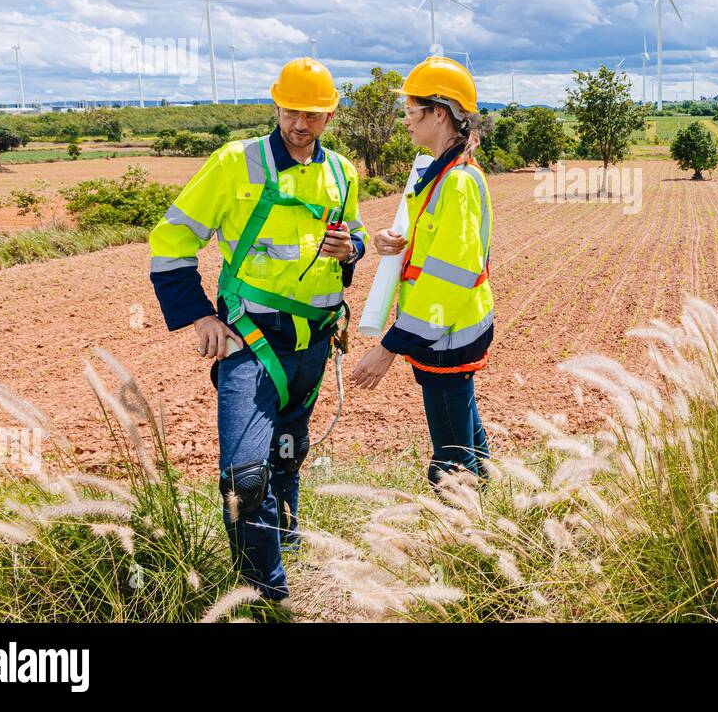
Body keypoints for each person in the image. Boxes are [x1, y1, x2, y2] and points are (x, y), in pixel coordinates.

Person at [148, 57, 366, 603]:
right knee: (246, 476)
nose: (301, 123)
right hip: (251, 341)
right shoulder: (233, 164)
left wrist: (352, 250)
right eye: (292, 110)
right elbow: (170, 240)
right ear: (276, 105)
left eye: (314, 114)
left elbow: (353, 237)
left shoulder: (342, 172)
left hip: (314, 343)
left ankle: (286, 550)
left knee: (288, 453)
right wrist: (199, 314)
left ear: (330, 115)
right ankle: (266, 599)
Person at [348, 55, 494, 490]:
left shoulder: (458, 182)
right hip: (441, 330)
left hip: (448, 332)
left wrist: (389, 347)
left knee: (449, 463)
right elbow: (434, 243)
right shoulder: (439, 173)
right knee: (466, 431)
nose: (407, 121)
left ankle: (462, 543)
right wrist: (394, 242)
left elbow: (450, 275)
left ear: (440, 114)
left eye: (412, 112)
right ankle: (492, 506)